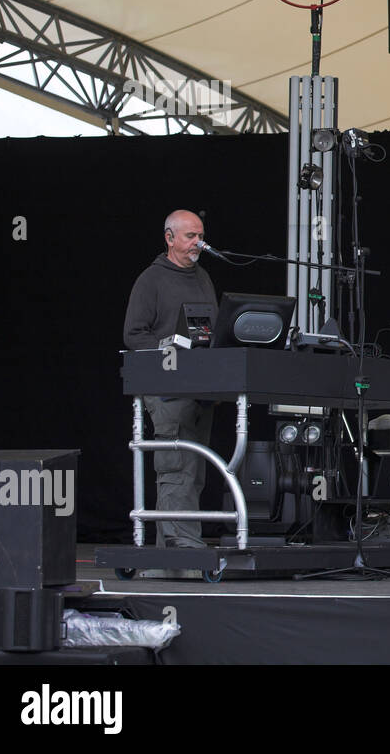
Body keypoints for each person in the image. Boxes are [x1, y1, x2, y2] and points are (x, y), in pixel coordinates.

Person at [122, 210, 217, 548]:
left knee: (196, 469)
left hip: (200, 386)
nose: (198, 243)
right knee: (176, 464)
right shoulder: (151, 280)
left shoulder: (203, 277)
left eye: (200, 235)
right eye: (191, 236)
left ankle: (177, 546)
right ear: (169, 238)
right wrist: (170, 345)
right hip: (166, 387)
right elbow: (133, 335)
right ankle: (180, 547)